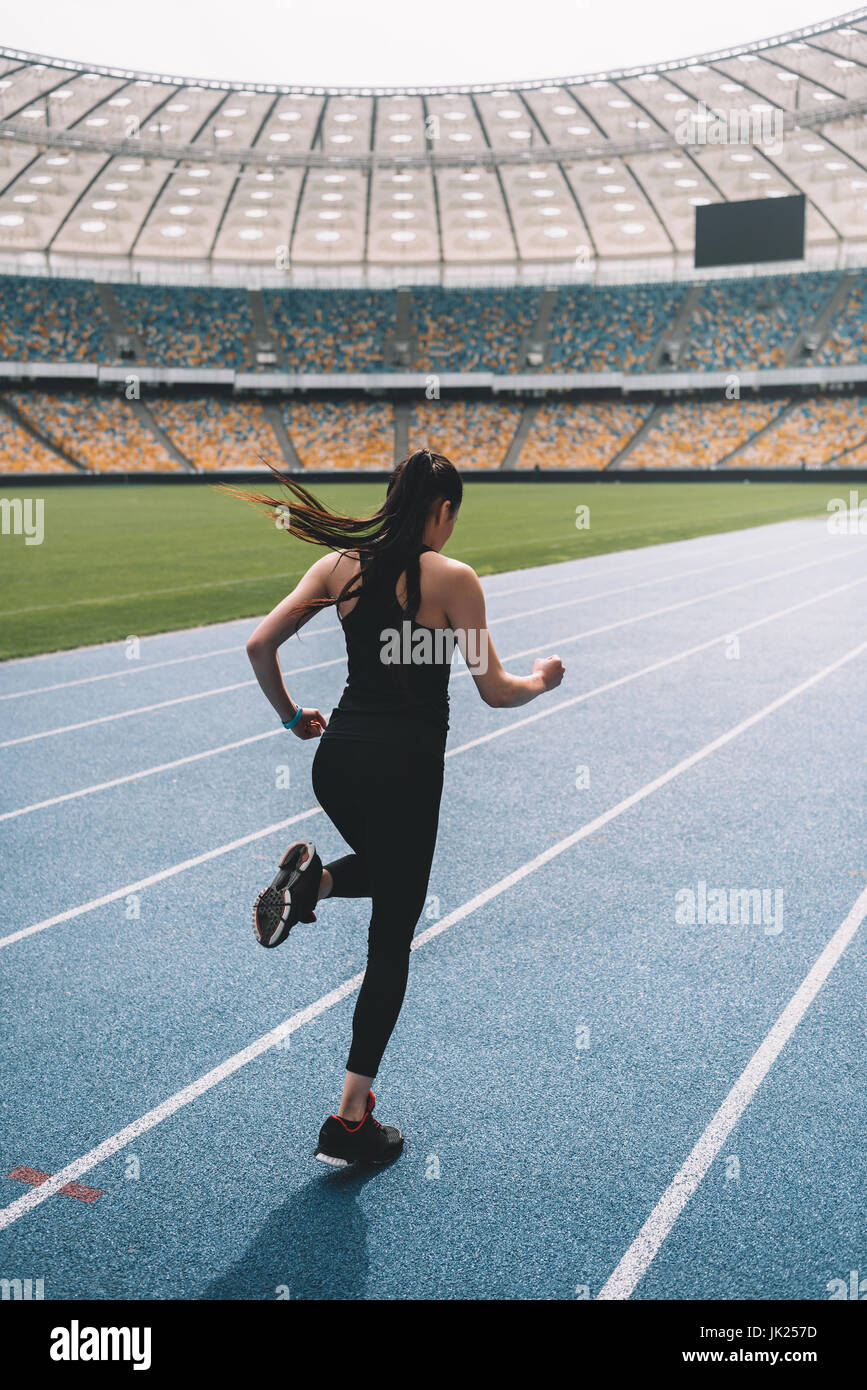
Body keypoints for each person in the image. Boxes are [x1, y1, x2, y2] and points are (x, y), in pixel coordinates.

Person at [242, 449, 565, 1167]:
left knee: (389, 878)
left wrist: (293, 719)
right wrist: (542, 679)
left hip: (338, 762)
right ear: (443, 510)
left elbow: (259, 644)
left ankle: (315, 883)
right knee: (392, 934)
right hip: (407, 768)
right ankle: (349, 1119)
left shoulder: (338, 568)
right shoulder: (453, 580)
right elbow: (494, 689)